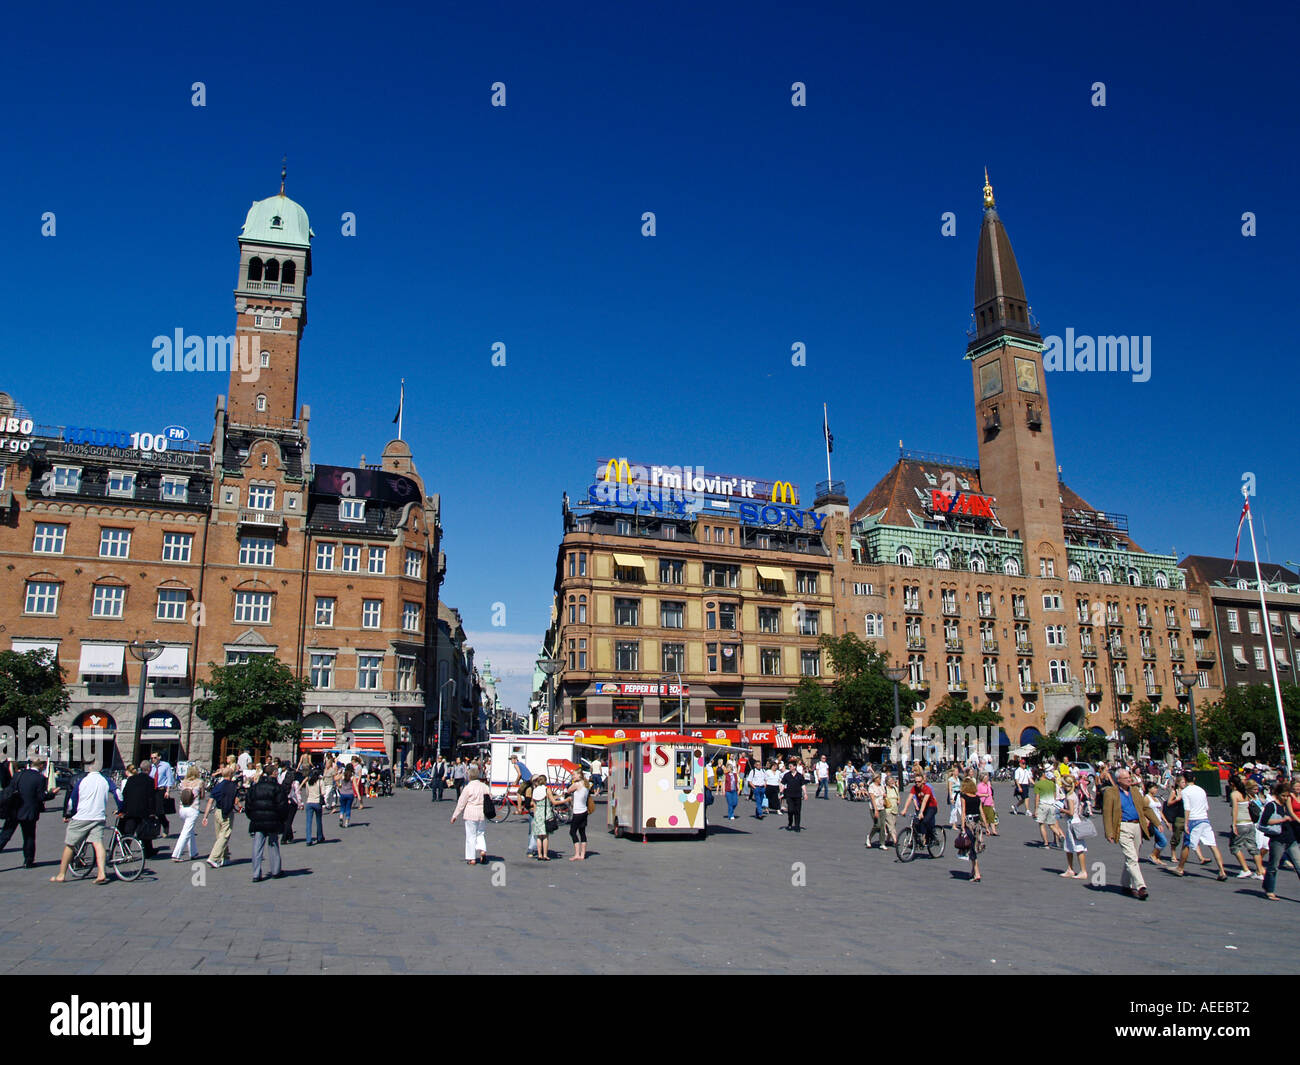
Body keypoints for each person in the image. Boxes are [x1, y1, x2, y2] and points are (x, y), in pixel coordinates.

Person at [51, 762, 116, 884]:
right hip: (98, 817)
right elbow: (118, 793)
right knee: (98, 843)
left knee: (70, 844)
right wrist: (121, 807)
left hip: (82, 817)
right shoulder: (105, 780)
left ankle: (61, 874)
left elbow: (72, 801)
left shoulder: (82, 780)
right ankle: (101, 873)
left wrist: (69, 814)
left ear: (89, 768)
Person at [1102, 767, 1160, 901]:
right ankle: (1141, 887)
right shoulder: (1111, 793)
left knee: (1132, 858)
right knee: (1132, 858)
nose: (1130, 779)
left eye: (1129, 777)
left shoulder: (1135, 791)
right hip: (1122, 826)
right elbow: (1106, 813)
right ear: (1119, 780)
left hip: (1137, 826)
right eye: (1126, 778)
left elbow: (1145, 808)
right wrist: (1109, 832)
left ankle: (1125, 884)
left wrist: (1157, 822)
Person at [0, 757, 59, 868]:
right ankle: (28, 861)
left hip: (14, 809)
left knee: (5, 835)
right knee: (29, 837)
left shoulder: (19, 775)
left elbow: (10, 789)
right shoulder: (40, 778)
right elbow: (41, 797)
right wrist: (52, 794)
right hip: (29, 812)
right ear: (41, 766)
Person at [1174, 771, 1227, 881]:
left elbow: (1187, 808)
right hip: (1204, 819)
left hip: (1193, 819)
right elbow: (1207, 807)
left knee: (1186, 845)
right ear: (1194, 779)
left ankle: (1180, 868)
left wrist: (1186, 823)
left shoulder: (1185, 792)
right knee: (1212, 845)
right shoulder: (1201, 790)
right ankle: (1222, 870)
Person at [245, 767, 290, 882]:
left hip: (258, 820)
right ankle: (275, 871)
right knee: (273, 844)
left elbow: (248, 804)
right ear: (274, 774)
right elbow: (283, 806)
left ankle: (256, 873)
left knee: (257, 846)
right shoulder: (277, 788)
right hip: (273, 820)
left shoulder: (255, 787)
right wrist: (281, 819)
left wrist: (252, 816)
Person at [1260, 781, 1300, 901]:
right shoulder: (1271, 806)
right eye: (1283, 795)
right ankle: (1269, 889)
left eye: (1287, 795)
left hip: (1290, 838)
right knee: (1273, 866)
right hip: (1277, 839)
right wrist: (1282, 820)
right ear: (1277, 794)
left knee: (1299, 865)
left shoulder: (1286, 805)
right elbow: (1264, 822)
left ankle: (1267, 886)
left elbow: (1292, 813)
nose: (1285, 798)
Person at [119, 761, 159, 859]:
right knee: (145, 831)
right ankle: (148, 851)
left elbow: (125, 794)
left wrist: (123, 809)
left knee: (129, 831)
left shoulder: (131, 779)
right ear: (149, 769)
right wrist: (152, 812)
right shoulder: (150, 780)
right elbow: (151, 797)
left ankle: (126, 850)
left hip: (130, 809)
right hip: (143, 810)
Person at [450, 766, 489, 865]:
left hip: (471, 813)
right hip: (482, 813)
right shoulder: (484, 786)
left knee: (471, 836)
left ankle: (471, 858)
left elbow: (461, 803)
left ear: (470, 776)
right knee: (480, 833)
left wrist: (455, 815)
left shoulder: (468, 787)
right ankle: (482, 851)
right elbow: (489, 798)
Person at [1228, 776, 1265, 880]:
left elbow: (1235, 810)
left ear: (1231, 784)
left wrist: (1234, 824)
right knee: (1253, 847)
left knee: (1234, 847)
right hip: (1250, 823)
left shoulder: (1234, 794)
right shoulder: (1246, 794)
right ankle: (1259, 871)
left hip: (1240, 823)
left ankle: (1245, 869)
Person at [202, 766, 240, 867]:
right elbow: (236, 800)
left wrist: (205, 816)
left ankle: (225, 857)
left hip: (217, 812)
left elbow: (210, 802)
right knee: (224, 835)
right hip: (227, 812)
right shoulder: (233, 786)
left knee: (220, 835)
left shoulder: (217, 786)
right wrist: (239, 806)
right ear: (231, 775)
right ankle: (213, 858)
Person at [1059, 776, 1090, 879]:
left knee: (1077, 847)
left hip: (1073, 822)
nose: (1062, 786)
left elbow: (1071, 812)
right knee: (1069, 846)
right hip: (1075, 821)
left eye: (1063, 784)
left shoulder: (1070, 796)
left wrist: (1062, 810)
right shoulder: (1073, 794)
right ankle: (1070, 869)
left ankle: (1082, 870)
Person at [900, 771, 938, 846]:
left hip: (931, 807)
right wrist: (905, 809)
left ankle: (931, 837)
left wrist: (921, 812)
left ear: (923, 781)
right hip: (922, 806)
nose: (917, 783)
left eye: (919, 782)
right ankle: (915, 841)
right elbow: (909, 798)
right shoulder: (914, 788)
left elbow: (925, 801)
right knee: (916, 822)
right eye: (915, 782)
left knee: (925, 821)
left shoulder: (927, 789)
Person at [957, 777, 982, 882]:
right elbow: (981, 811)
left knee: (971, 848)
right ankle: (973, 871)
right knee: (974, 846)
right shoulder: (977, 797)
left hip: (969, 823)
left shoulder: (964, 796)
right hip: (977, 824)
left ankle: (977, 872)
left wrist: (962, 826)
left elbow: (963, 811)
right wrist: (986, 826)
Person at [1033, 767, 1065, 848]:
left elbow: (1037, 798)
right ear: (1044, 775)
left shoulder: (1038, 784)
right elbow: (1054, 795)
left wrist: (1035, 809)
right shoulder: (1052, 783)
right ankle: (1060, 835)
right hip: (1052, 805)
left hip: (1043, 805)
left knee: (1041, 824)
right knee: (1051, 824)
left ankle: (1046, 843)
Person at [1142, 781, 1171, 868]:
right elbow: (1143, 810)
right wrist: (1146, 819)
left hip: (1159, 821)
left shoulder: (1156, 799)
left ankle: (1156, 857)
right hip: (1153, 822)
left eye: (1156, 788)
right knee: (1163, 841)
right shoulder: (1146, 798)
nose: (1156, 789)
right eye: (1154, 788)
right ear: (1149, 789)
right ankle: (1153, 855)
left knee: (1158, 840)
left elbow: (1160, 811)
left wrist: (1166, 821)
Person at [563, 770, 590, 861]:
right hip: (584, 811)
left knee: (572, 832)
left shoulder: (577, 784)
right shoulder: (586, 784)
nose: (573, 776)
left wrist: (572, 783)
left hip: (578, 812)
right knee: (582, 832)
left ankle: (577, 854)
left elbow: (568, 790)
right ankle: (583, 855)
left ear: (579, 775)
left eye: (574, 775)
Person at [170, 787, 201, 862]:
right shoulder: (198, 783)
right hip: (192, 810)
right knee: (186, 832)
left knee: (190, 831)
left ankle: (193, 852)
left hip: (183, 809)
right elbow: (201, 796)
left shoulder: (184, 783)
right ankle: (176, 854)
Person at [148, 751, 176, 836]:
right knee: (152, 811)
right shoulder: (151, 767)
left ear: (159, 757)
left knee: (160, 811)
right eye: (152, 758)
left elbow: (169, 778)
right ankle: (154, 830)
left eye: (155, 758)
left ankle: (165, 824)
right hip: (152, 790)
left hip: (161, 789)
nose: (153, 760)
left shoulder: (165, 765)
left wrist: (168, 791)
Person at [529, 776, 556, 860]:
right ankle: (545, 854)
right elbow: (553, 801)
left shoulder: (535, 790)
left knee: (539, 836)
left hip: (538, 814)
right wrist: (566, 800)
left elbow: (533, 803)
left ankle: (539, 854)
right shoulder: (546, 789)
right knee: (545, 836)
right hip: (545, 813)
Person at [302, 768, 327, 845]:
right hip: (317, 802)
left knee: (308, 822)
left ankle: (308, 839)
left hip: (309, 802)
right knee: (318, 821)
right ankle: (319, 837)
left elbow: (307, 793)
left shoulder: (308, 782)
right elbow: (323, 793)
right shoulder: (320, 782)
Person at [781, 760, 807, 831]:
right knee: (790, 810)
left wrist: (805, 793)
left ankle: (797, 826)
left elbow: (803, 785)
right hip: (789, 795)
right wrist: (781, 792)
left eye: (790, 766)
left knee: (797, 811)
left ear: (795, 767)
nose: (789, 767)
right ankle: (790, 823)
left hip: (798, 795)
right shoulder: (787, 775)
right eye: (789, 766)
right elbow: (783, 784)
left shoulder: (799, 776)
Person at [866, 773, 886, 847]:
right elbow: (872, 798)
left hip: (882, 807)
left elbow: (883, 794)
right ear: (875, 779)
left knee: (883, 825)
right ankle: (869, 837)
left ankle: (882, 843)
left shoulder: (882, 786)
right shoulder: (871, 786)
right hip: (874, 808)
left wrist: (884, 795)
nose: (880, 780)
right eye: (879, 778)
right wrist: (876, 810)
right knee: (877, 825)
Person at [281, 771, 301, 844]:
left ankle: (290, 836)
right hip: (293, 802)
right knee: (289, 821)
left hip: (285, 801)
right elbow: (297, 793)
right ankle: (284, 838)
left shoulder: (284, 782)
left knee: (286, 820)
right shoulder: (295, 783)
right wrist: (300, 804)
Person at [976, 771, 998, 835]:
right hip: (982, 803)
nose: (987, 779)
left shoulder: (988, 785)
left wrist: (992, 802)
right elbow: (977, 793)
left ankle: (994, 831)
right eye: (985, 778)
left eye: (987, 778)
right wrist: (984, 795)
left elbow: (991, 794)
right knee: (984, 818)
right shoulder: (979, 785)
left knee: (991, 817)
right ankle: (986, 828)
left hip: (989, 803)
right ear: (982, 779)